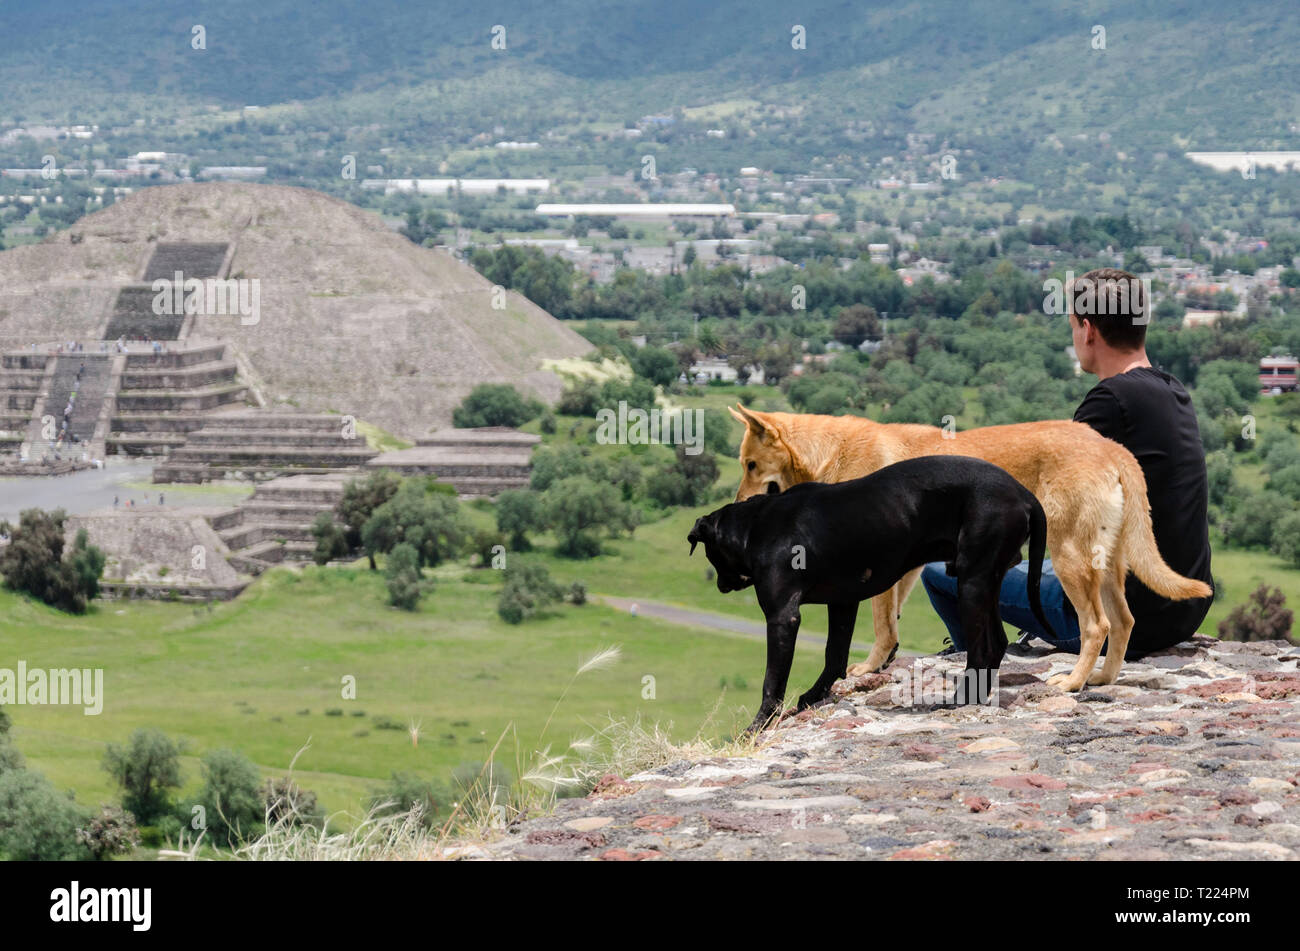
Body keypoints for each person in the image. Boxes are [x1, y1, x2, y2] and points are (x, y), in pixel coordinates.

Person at [920, 268, 1213, 659]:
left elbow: (1048, 510)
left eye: (1074, 326)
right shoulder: (1173, 390)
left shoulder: (1109, 404)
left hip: (1133, 612)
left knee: (939, 572)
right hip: (1183, 607)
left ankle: (976, 661)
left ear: (1088, 330)